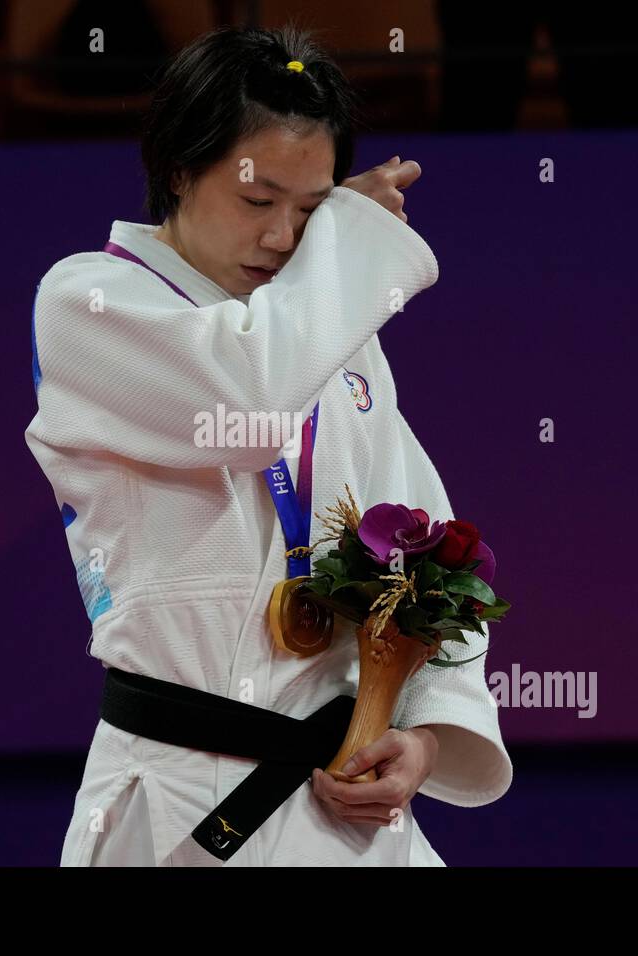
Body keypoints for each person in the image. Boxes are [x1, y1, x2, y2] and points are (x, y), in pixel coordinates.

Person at [25, 24, 511, 867]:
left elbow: (431, 553)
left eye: (313, 212)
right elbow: (244, 401)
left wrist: (427, 733)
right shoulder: (86, 300)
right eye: (259, 201)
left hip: (346, 806)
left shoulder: (333, 341)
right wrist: (354, 240)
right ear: (179, 169)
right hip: (177, 798)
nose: (287, 239)